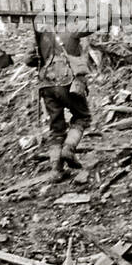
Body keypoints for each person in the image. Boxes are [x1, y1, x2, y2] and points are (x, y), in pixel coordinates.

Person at [26, 16, 91, 179]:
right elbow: (97, 24)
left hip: (46, 84)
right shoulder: (73, 28)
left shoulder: (41, 34)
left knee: (56, 129)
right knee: (82, 117)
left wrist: (43, 57)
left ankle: (56, 169)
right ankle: (69, 149)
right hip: (68, 81)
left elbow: (28, 59)